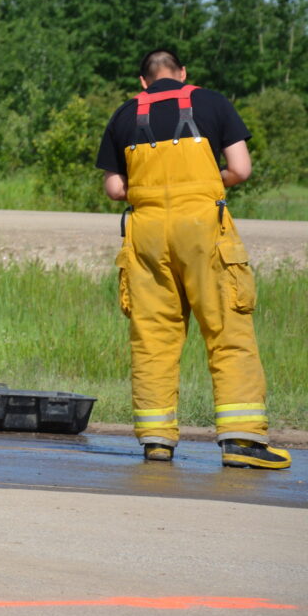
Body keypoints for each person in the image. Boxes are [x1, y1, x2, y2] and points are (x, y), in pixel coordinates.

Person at [96, 48, 290, 470]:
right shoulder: (212, 102)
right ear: (182, 74)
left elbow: (115, 189)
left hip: (147, 234)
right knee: (226, 329)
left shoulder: (124, 114)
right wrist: (201, 184)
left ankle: (156, 441)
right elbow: (240, 169)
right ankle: (241, 441)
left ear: (143, 81)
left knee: (153, 338)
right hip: (203, 228)